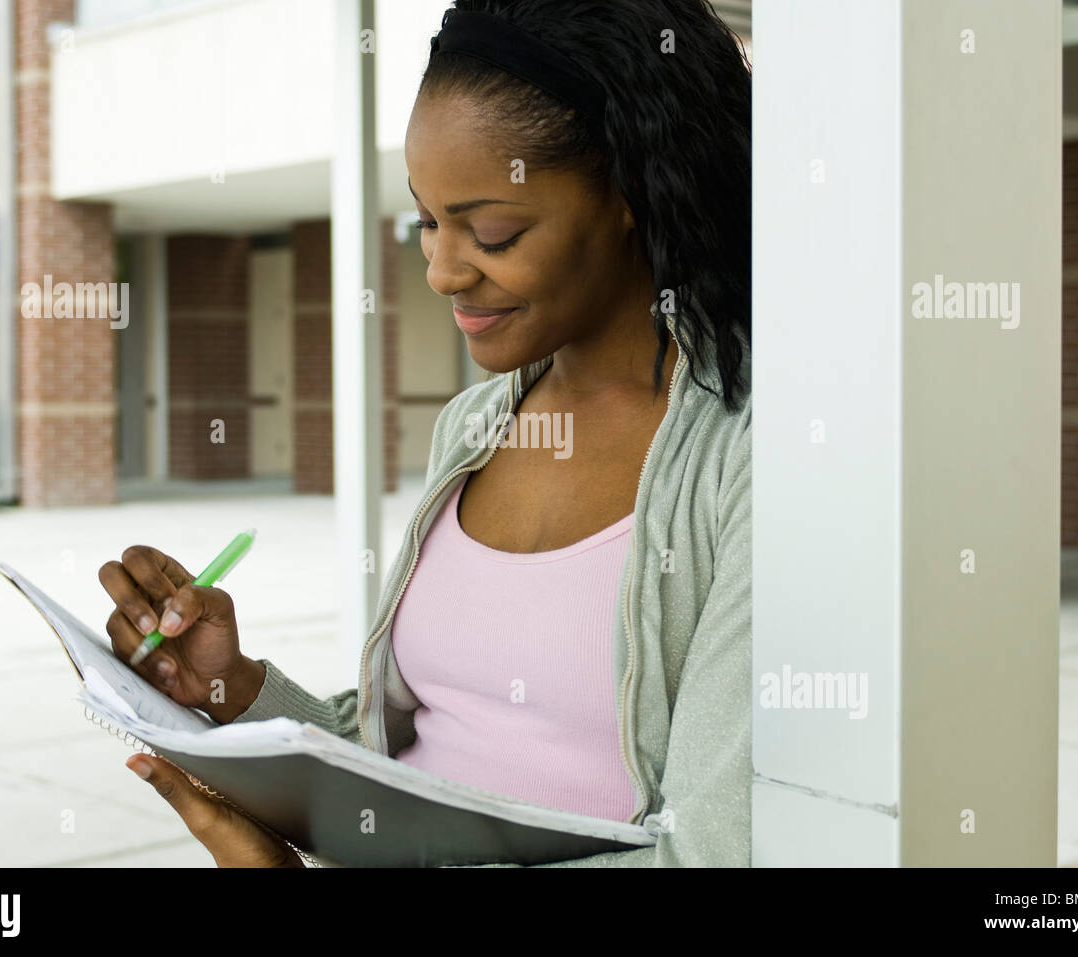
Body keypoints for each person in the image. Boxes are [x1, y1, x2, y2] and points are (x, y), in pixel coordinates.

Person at [97, 0, 752, 867]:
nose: (442, 271)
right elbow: (407, 767)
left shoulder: (746, 457)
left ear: (633, 191)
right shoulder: (474, 429)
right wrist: (230, 685)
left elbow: (714, 851)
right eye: (428, 223)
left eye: (493, 232)